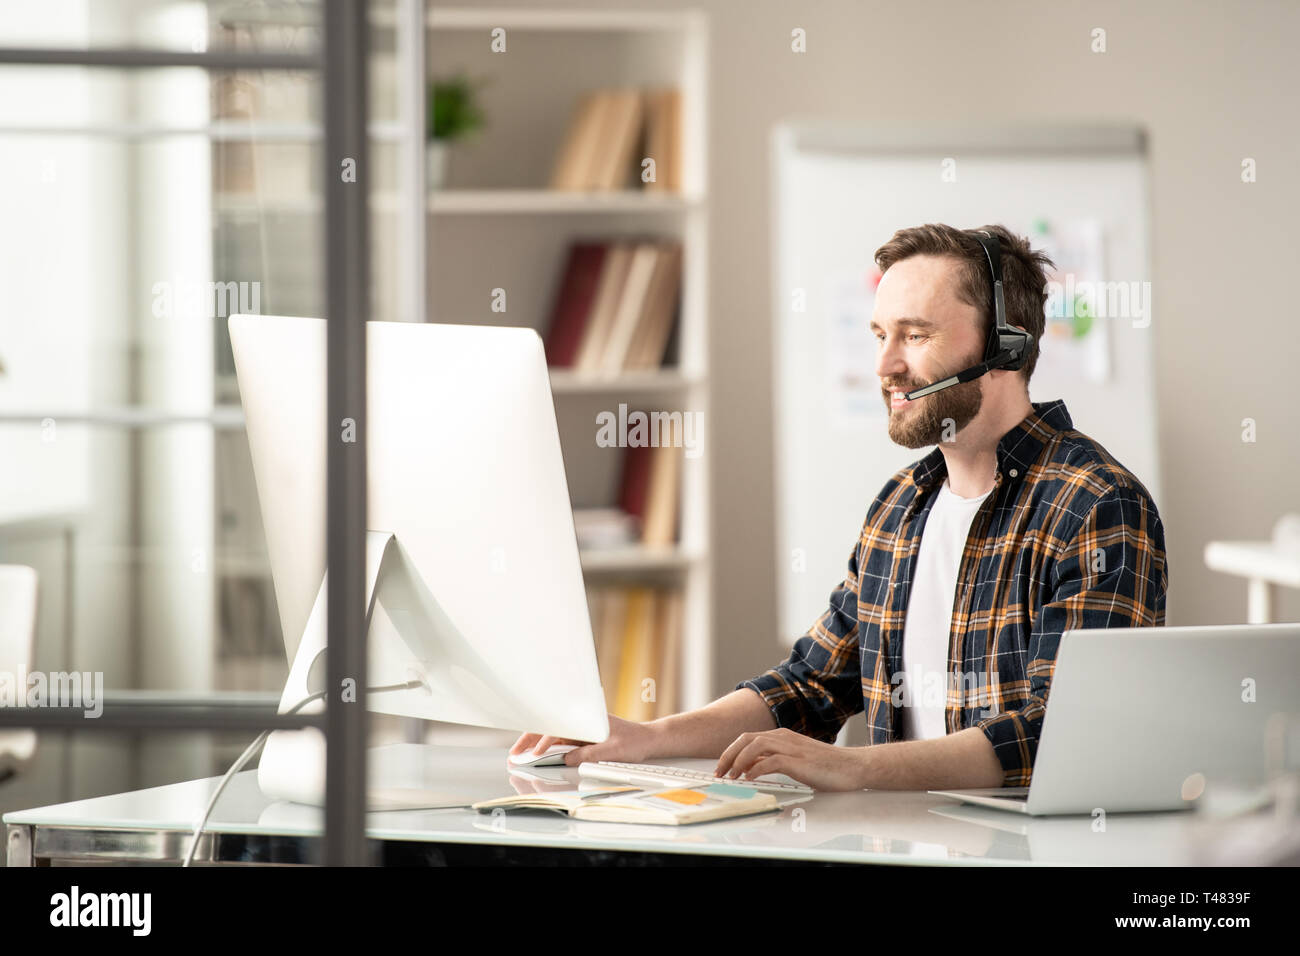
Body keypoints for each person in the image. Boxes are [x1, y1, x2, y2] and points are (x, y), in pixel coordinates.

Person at [510, 223, 1168, 791]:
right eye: (880, 333)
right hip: (898, 849)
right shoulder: (901, 505)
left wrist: (854, 768)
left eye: (914, 336)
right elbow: (811, 685)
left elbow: (1060, 730)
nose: (885, 364)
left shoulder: (1095, 505)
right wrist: (649, 737)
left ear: (1006, 347)